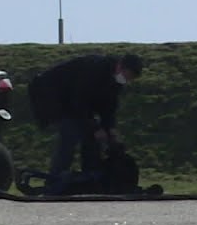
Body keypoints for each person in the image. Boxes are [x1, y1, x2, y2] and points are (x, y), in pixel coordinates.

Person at [27, 53, 144, 195]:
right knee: (70, 133)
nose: (127, 80)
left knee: (92, 139)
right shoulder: (95, 69)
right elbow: (79, 101)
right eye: (127, 76)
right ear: (120, 66)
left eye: (130, 79)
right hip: (51, 94)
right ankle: (54, 184)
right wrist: (95, 127)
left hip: (73, 101)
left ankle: (90, 180)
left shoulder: (116, 81)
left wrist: (109, 128)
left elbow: (109, 107)